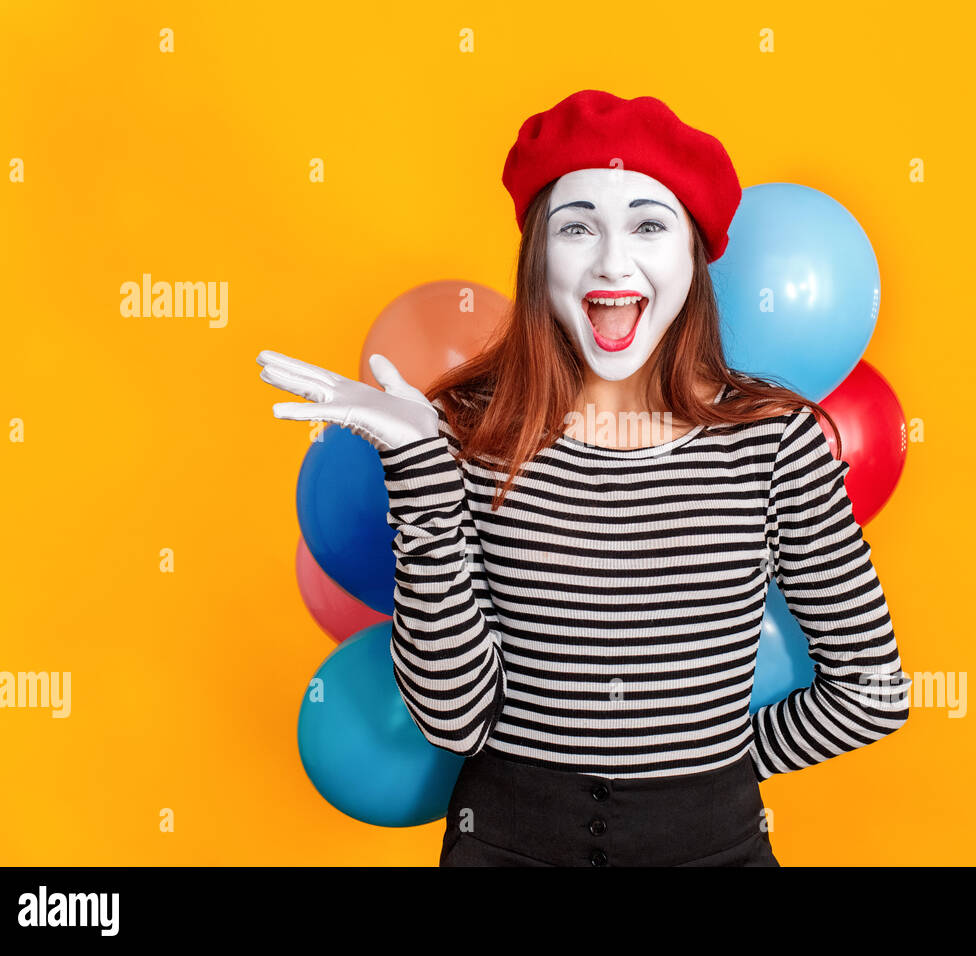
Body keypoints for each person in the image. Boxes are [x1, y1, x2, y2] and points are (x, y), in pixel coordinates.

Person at [257, 89, 911, 867]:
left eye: (647, 224)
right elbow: (457, 721)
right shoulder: (472, 434)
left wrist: (710, 774)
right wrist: (419, 468)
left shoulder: (773, 444)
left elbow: (872, 692)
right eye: (576, 228)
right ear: (539, 258)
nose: (611, 260)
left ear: (692, 256)